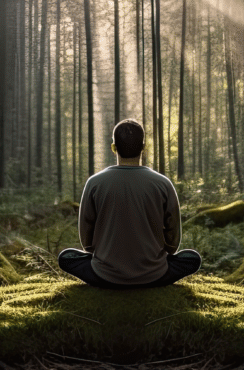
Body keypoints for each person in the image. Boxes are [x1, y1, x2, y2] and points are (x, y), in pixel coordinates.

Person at [57, 119, 201, 289]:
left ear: (113, 148)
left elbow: (87, 244)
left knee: (66, 257)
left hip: (105, 276)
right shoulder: (163, 183)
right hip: (155, 275)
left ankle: (111, 278)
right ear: (143, 147)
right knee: (192, 259)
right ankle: (150, 278)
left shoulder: (94, 183)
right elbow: (173, 244)